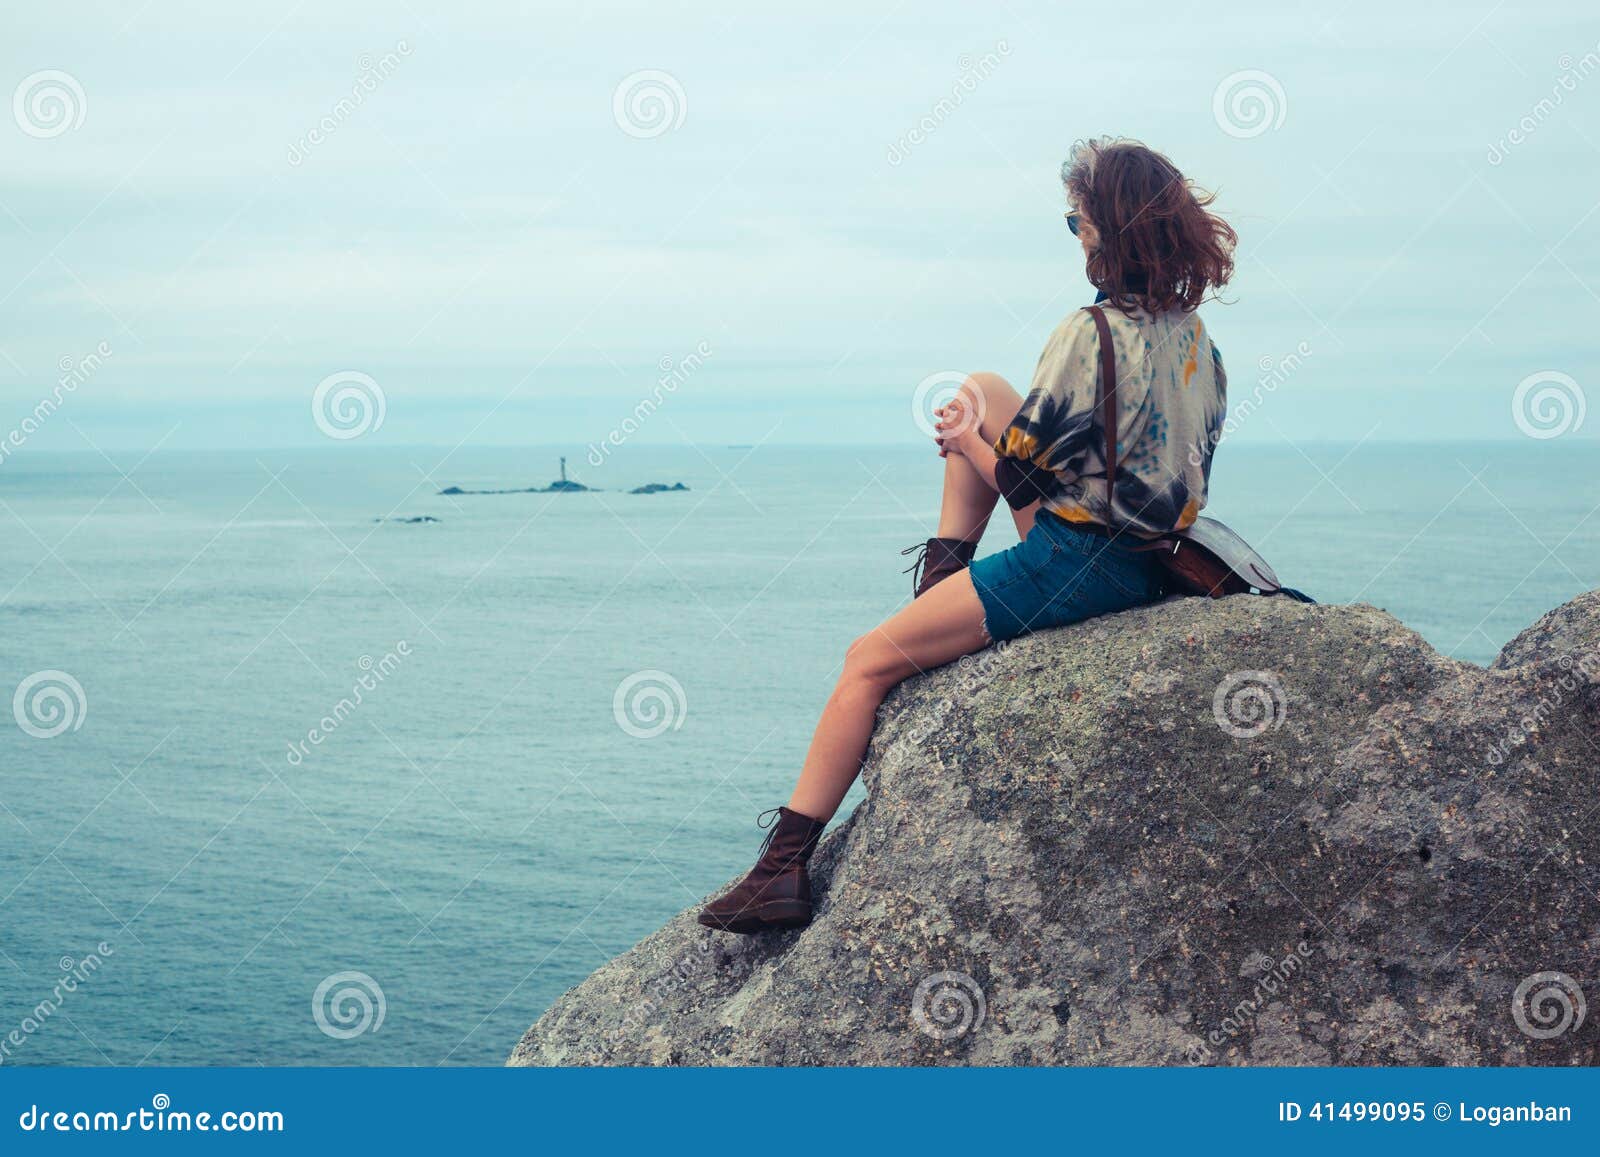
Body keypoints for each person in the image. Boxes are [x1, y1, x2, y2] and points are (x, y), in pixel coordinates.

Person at [699, 137, 1238, 934]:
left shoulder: (1089, 330)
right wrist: (977, 426)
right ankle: (945, 586)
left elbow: (1018, 478)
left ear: (1112, 227)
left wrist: (962, 442)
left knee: (864, 662)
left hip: (1074, 561)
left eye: (1079, 221)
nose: (1078, 236)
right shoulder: (1199, 345)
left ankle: (781, 870)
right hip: (1150, 562)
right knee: (981, 389)